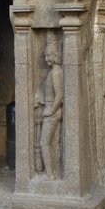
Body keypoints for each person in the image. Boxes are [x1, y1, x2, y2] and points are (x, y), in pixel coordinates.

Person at [34, 37, 63, 179]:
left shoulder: (56, 73)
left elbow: (60, 95)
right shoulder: (54, 72)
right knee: (53, 143)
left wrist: (50, 110)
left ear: (56, 56)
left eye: (48, 55)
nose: (46, 58)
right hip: (52, 109)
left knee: (44, 143)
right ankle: (55, 171)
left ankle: (50, 174)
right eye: (45, 55)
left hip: (52, 111)